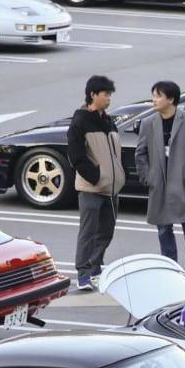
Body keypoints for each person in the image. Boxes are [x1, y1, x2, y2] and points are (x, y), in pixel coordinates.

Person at [134, 80, 185, 284]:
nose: (154, 100)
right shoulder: (149, 123)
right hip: (158, 184)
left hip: (182, 183)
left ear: (171, 99)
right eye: (154, 95)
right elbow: (140, 153)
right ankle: (170, 268)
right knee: (163, 228)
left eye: (158, 96)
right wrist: (147, 177)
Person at [67, 75, 125, 291]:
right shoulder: (81, 121)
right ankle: (83, 273)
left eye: (110, 95)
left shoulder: (108, 120)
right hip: (91, 188)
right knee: (88, 232)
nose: (109, 99)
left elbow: (116, 153)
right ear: (93, 95)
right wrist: (95, 176)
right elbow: (76, 156)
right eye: (105, 94)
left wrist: (119, 174)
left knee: (106, 231)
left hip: (111, 188)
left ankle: (95, 267)